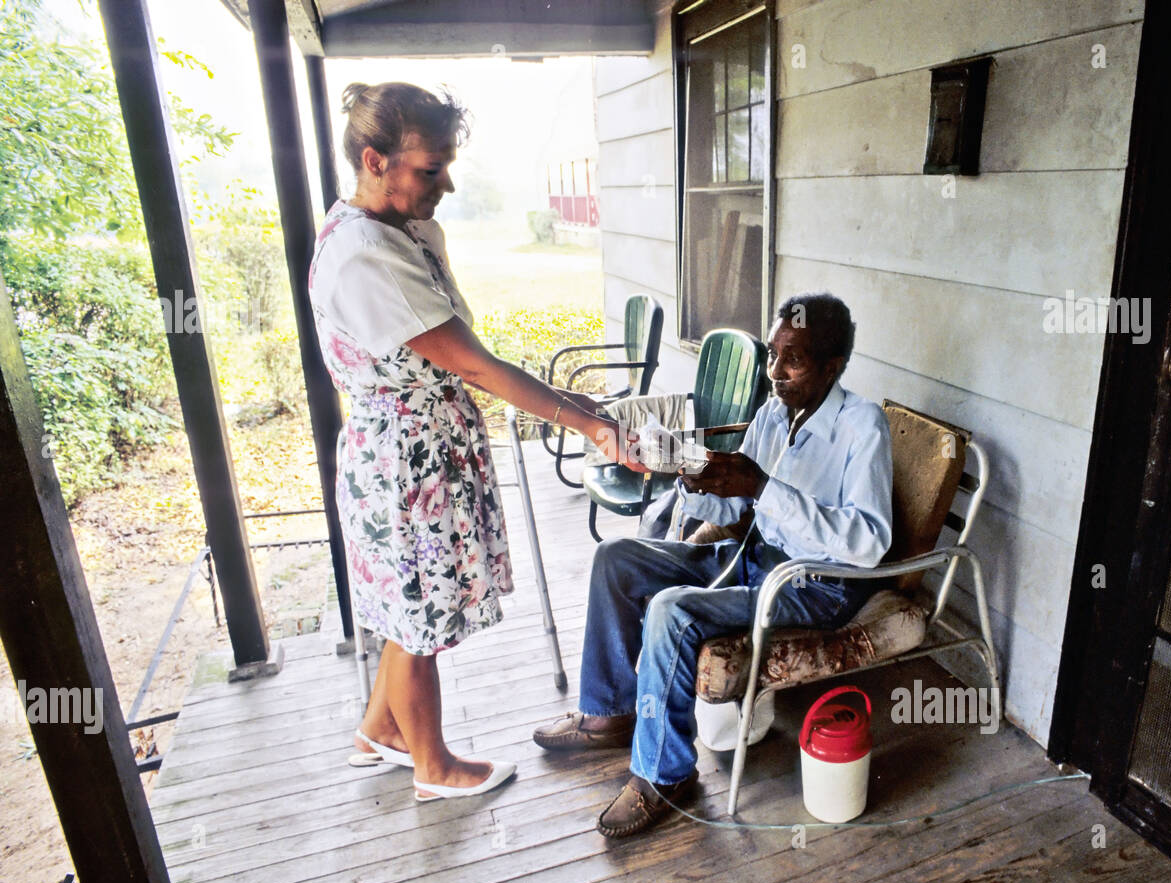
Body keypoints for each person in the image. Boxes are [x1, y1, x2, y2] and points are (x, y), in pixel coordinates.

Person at [309, 81, 644, 803]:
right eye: (431, 168)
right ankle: (432, 766)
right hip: (404, 463)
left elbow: (467, 352)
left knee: (408, 604)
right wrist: (586, 423)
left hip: (422, 448)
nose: (447, 183)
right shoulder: (364, 253)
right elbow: (475, 365)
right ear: (374, 161)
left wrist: (579, 400)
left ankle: (381, 731)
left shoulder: (403, 230)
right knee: (421, 613)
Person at [533, 293, 893, 836]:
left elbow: (867, 541)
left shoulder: (862, 426)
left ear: (832, 366)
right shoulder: (776, 413)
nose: (774, 372)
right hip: (753, 558)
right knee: (617, 558)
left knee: (672, 611)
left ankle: (665, 776)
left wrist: (765, 489)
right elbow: (735, 505)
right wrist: (688, 475)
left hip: (815, 585)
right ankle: (609, 710)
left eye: (791, 359)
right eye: (772, 355)